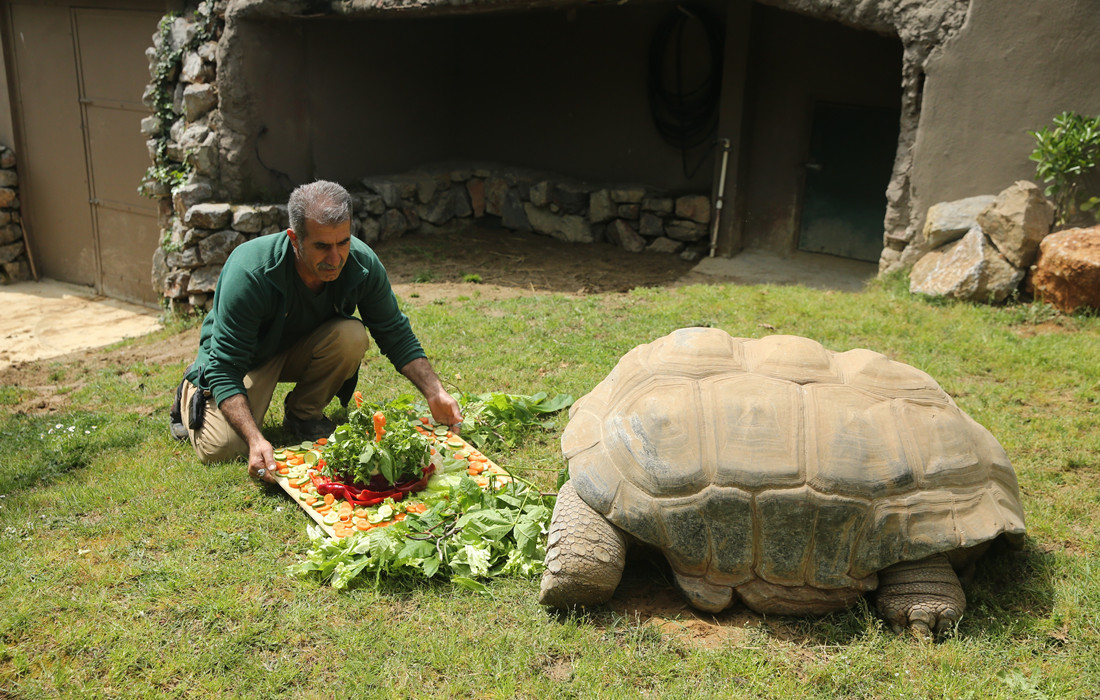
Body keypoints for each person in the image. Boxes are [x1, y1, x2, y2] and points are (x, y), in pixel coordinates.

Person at [169, 180, 462, 483]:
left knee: (352, 335)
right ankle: (191, 391)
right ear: (294, 239)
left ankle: (302, 415)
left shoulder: (361, 262)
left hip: (301, 346)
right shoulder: (250, 271)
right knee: (223, 448)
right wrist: (256, 439)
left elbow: (394, 332)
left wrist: (435, 392)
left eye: (343, 242)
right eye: (322, 246)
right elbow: (227, 367)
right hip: (246, 357)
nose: (335, 258)